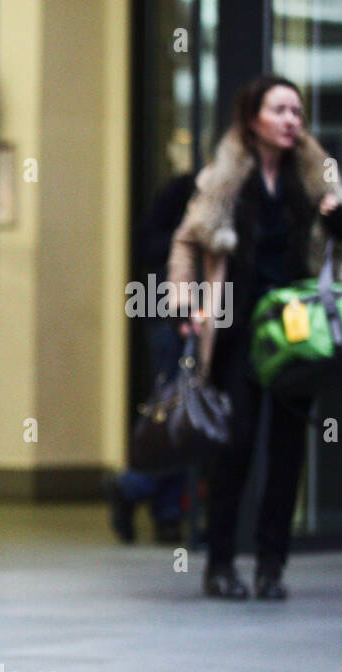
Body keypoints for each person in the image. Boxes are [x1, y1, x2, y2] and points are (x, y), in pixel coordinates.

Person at [167, 75, 342, 600]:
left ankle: (273, 566)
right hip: (237, 332)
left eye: (297, 111)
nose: (292, 120)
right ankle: (221, 563)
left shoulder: (314, 180)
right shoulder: (225, 178)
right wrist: (184, 305)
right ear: (254, 119)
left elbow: (336, 258)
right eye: (280, 110)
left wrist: (340, 227)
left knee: (288, 451)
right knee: (237, 448)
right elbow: (186, 240)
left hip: (296, 334)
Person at [106, 171, 195, 544]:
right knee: (176, 411)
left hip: (197, 314)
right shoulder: (183, 191)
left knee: (188, 414)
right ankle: (135, 489)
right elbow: (148, 245)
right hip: (171, 312)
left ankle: (164, 509)